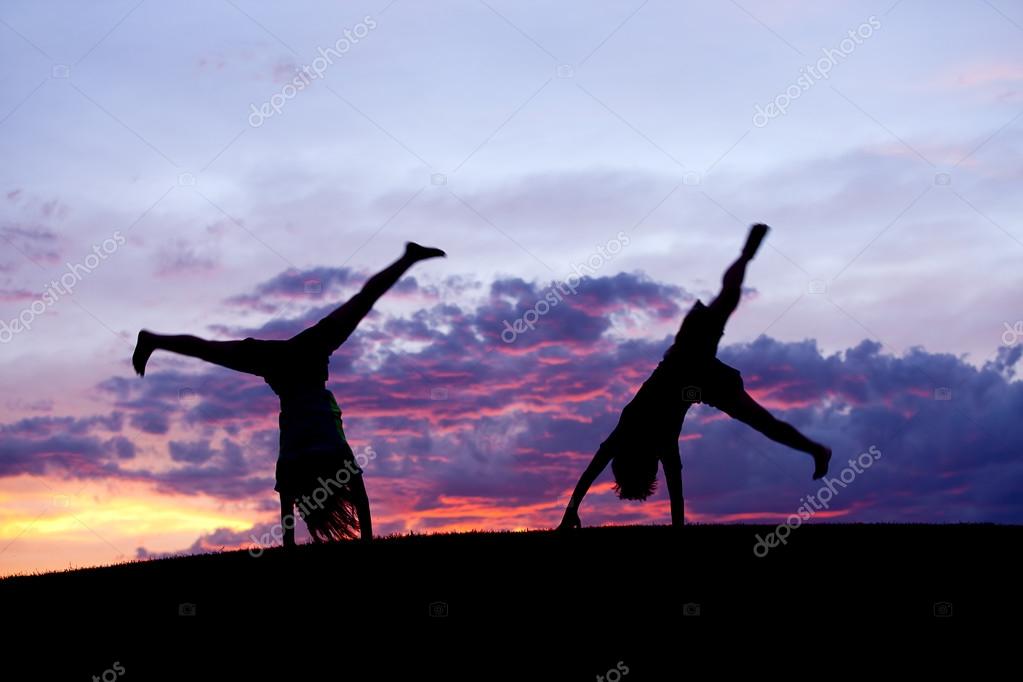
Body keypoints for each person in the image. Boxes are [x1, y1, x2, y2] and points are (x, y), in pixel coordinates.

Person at [132, 242, 446, 545]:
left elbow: (356, 501)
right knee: (210, 350)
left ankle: (153, 340)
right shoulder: (295, 466)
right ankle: (154, 340)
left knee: (362, 302)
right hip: (289, 363)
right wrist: (294, 545)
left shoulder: (334, 459)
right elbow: (291, 513)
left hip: (303, 358)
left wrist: (364, 540)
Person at [557, 224, 831, 529]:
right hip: (700, 378)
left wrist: (571, 510)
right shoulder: (651, 442)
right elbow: (672, 487)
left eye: (648, 472)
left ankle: (745, 257)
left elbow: (594, 472)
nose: (655, 469)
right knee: (763, 420)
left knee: (726, 303)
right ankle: (816, 449)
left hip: (690, 362)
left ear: (636, 466)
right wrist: (572, 509)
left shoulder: (627, 432)